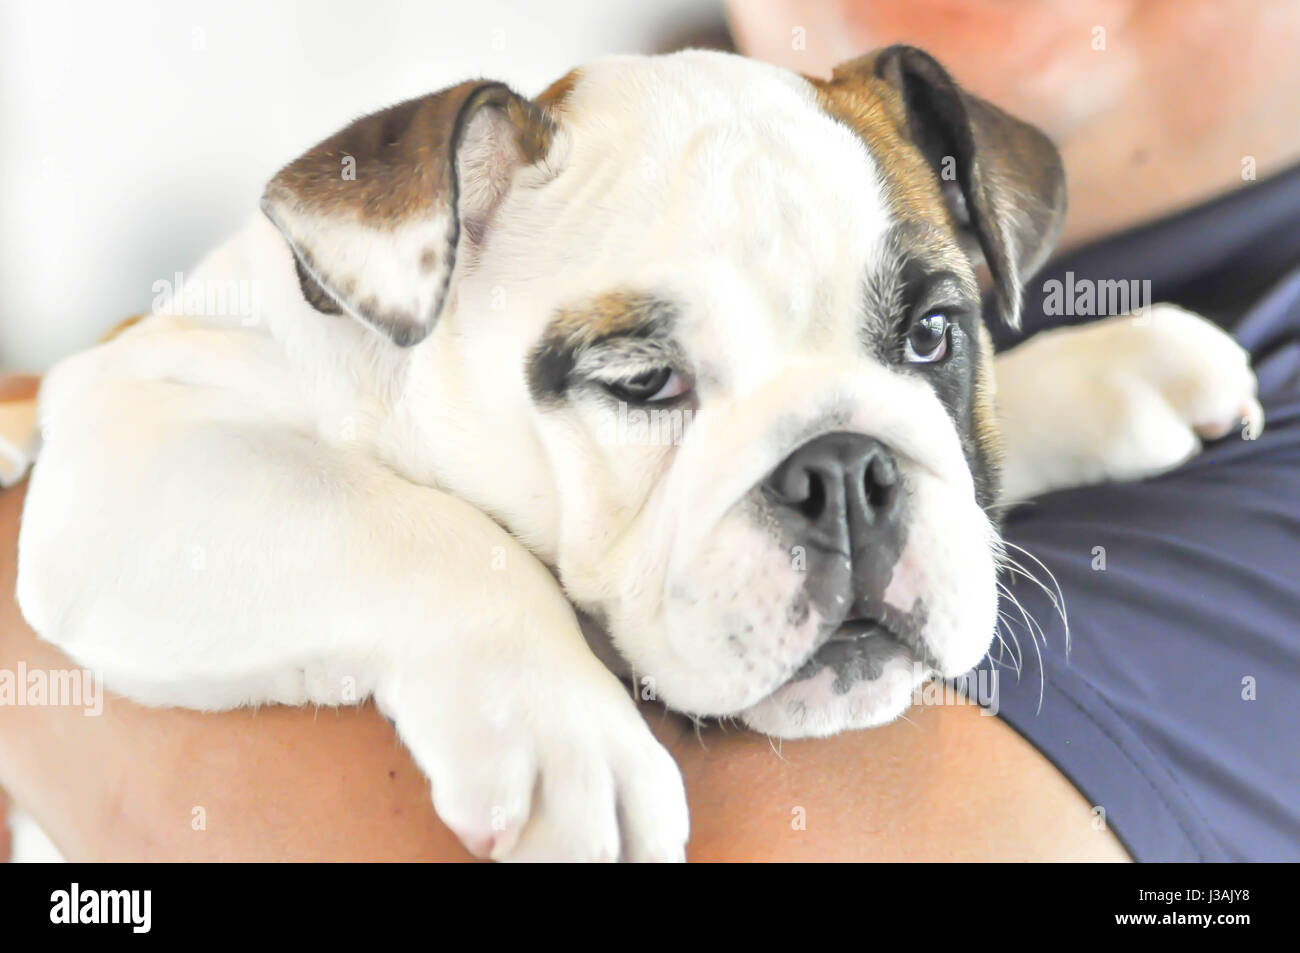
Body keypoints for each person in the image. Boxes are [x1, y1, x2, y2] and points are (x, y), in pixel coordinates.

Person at [2, 1, 1297, 860]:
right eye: (648, 382)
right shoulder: (366, 291)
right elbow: (90, 532)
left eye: (919, 340)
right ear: (427, 259)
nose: (845, 496)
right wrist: (464, 622)